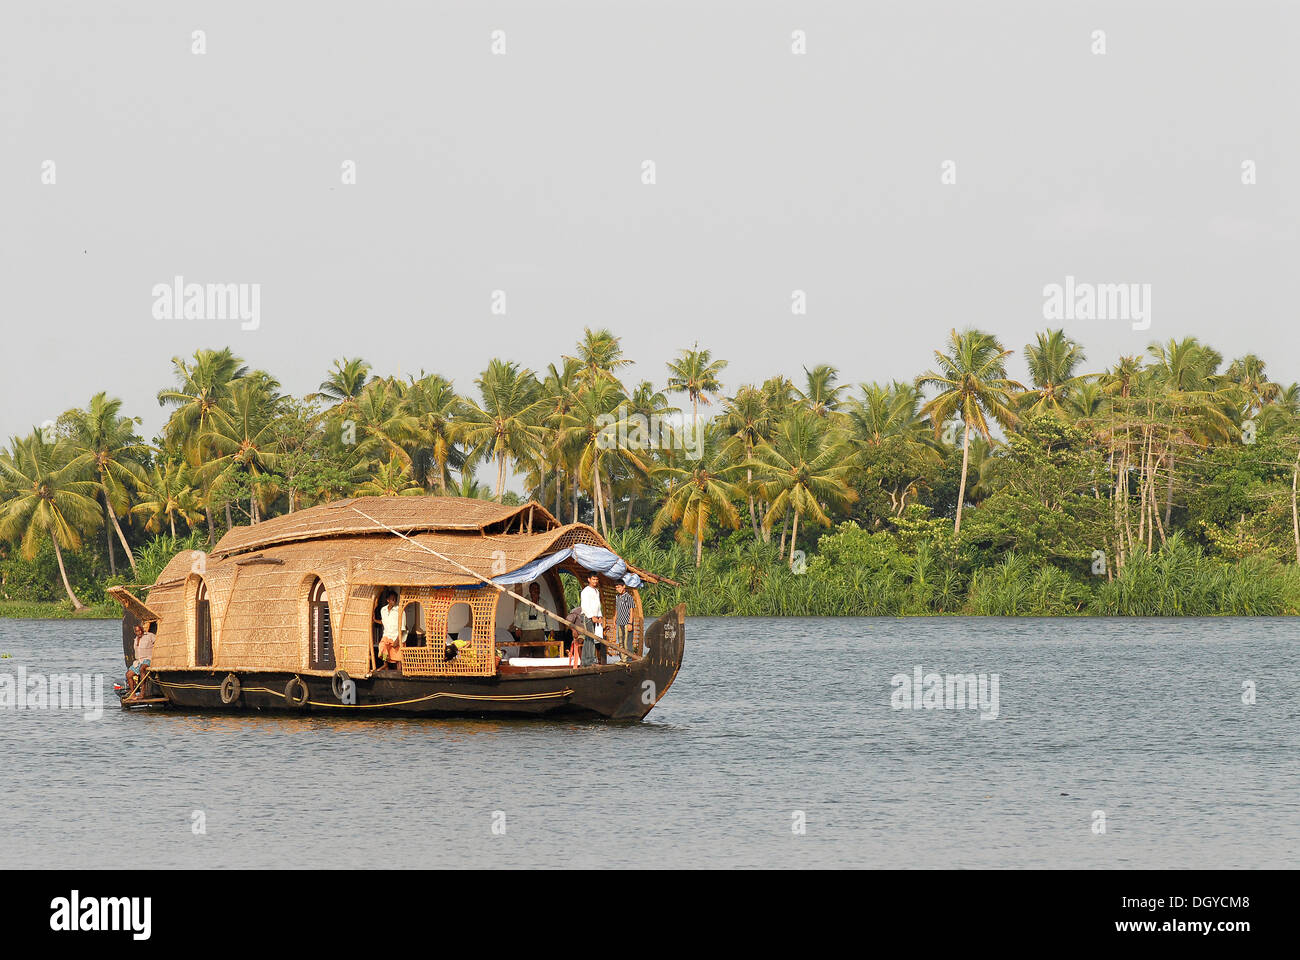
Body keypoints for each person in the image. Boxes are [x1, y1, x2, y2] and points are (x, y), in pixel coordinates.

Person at [509, 583, 562, 653]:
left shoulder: (543, 603)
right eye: (533, 588)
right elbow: (518, 614)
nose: (535, 590)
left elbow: (548, 616)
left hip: (539, 632)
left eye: (537, 588)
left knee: (539, 654)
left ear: (539, 590)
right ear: (529, 590)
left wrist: (551, 629)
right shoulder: (523, 601)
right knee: (525, 655)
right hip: (526, 632)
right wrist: (517, 628)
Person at [579, 573, 605, 666]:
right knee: (589, 638)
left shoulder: (596, 591)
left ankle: (587, 661)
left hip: (595, 617)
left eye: (596, 580)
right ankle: (587, 661)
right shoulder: (586, 591)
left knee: (591, 638)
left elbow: (598, 605)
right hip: (587, 617)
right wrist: (592, 616)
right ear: (589, 579)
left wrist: (599, 616)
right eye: (593, 579)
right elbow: (585, 606)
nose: (595, 581)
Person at [125, 623, 154, 698]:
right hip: (138, 661)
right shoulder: (136, 639)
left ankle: (142, 692)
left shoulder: (149, 636)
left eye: (140, 630)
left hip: (148, 659)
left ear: (142, 630)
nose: (139, 632)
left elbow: (158, 641)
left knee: (142, 669)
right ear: (135, 632)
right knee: (128, 674)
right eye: (137, 631)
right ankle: (133, 693)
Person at [374, 589, 402, 668]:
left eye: (395, 599)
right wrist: (375, 620)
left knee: (397, 657)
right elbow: (384, 621)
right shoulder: (383, 610)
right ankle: (385, 665)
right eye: (392, 599)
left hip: (396, 636)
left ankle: (399, 673)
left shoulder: (399, 610)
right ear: (388, 600)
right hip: (387, 635)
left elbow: (403, 627)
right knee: (383, 648)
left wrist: (398, 640)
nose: (394, 600)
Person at [614, 581, 637, 657]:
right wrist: (615, 620)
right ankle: (622, 658)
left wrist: (630, 623)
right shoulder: (617, 597)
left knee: (627, 642)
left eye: (619, 587)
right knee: (620, 641)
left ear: (624, 586)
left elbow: (631, 610)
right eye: (616, 587)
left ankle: (629, 659)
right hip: (620, 622)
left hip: (627, 622)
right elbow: (617, 609)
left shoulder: (628, 597)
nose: (618, 589)